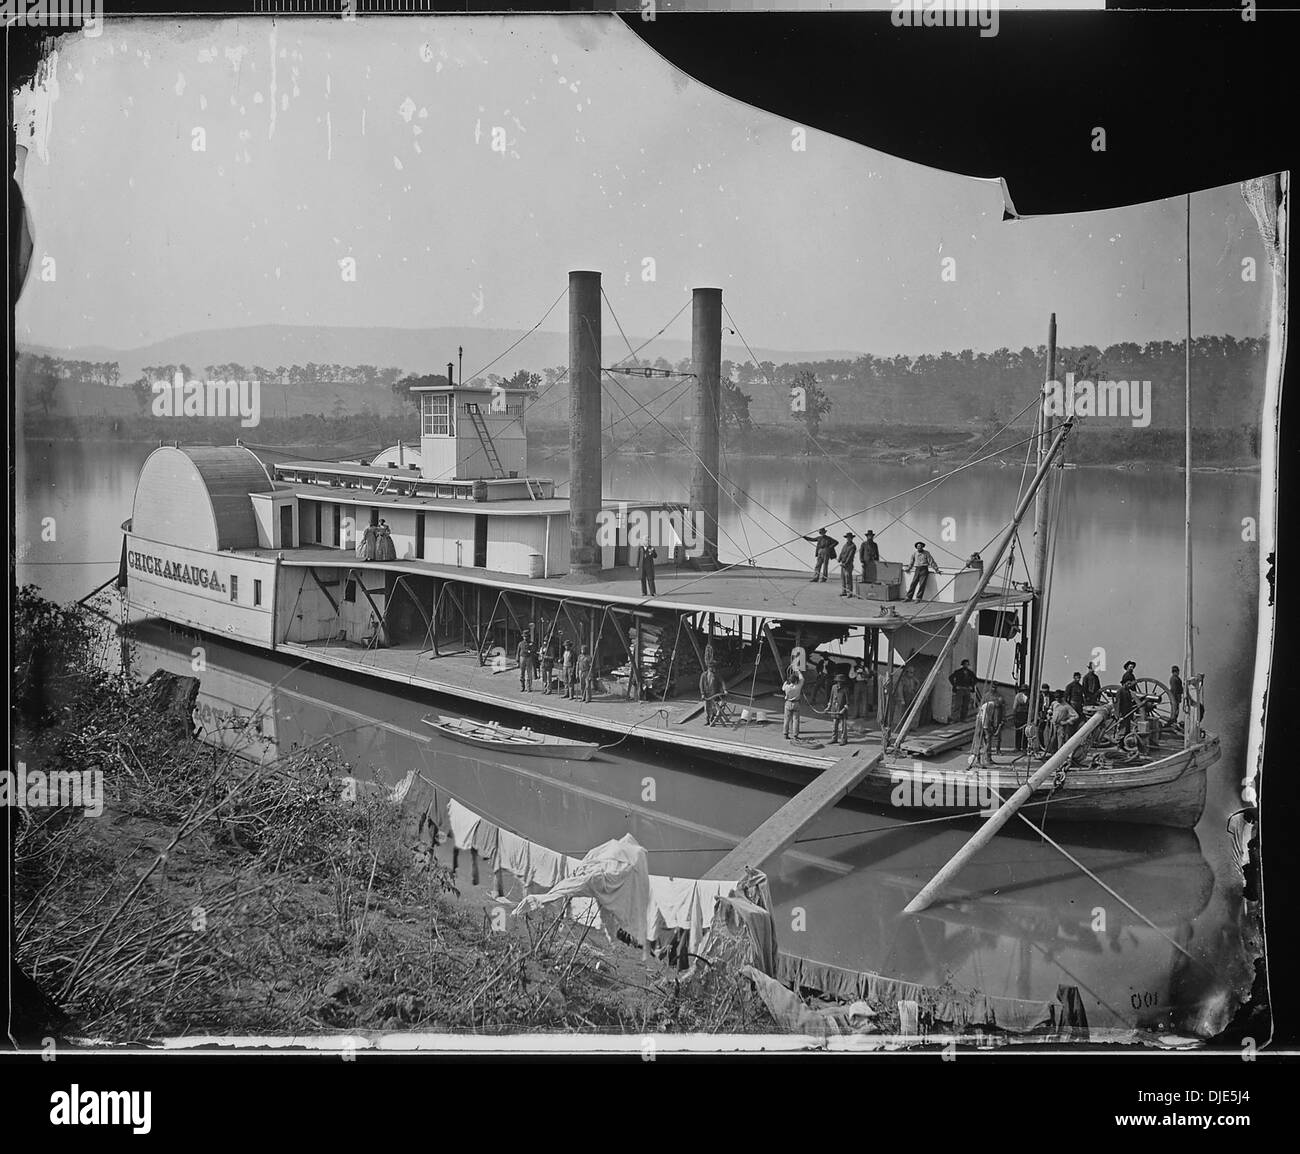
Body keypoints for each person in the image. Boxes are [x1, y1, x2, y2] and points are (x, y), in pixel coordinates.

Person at [826, 672, 851, 745]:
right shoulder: (833, 687)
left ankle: (844, 739)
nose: (839, 683)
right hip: (834, 709)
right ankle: (834, 738)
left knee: (843, 727)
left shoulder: (846, 689)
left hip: (842, 710)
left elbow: (848, 702)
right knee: (834, 726)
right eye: (838, 682)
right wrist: (828, 707)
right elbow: (831, 699)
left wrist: (843, 710)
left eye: (841, 682)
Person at [782, 667, 804, 740]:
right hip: (796, 703)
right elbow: (802, 679)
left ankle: (785, 733)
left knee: (786, 719)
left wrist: (787, 681)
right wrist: (798, 671)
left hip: (788, 703)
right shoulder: (797, 687)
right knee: (796, 720)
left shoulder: (787, 687)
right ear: (796, 681)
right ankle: (795, 735)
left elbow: (783, 687)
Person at [837, 532, 857, 597]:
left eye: (850, 538)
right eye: (848, 538)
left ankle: (849, 592)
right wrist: (839, 559)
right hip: (843, 564)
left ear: (852, 538)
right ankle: (844, 591)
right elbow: (842, 552)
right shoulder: (845, 545)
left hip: (848, 564)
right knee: (843, 578)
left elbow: (850, 556)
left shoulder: (853, 546)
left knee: (848, 578)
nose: (848, 539)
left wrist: (846, 563)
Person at [1012, 683, 1030, 752]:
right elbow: (1014, 707)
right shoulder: (1018, 696)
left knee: (1026, 732)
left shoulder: (1029, 697)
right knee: (1018, 731)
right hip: (1019, 714)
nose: (1025, 691)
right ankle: (1017, 747)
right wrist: (1014, 715)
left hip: (1026, 715)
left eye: (1026, 690)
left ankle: (1024, 747)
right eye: (1024, 690)